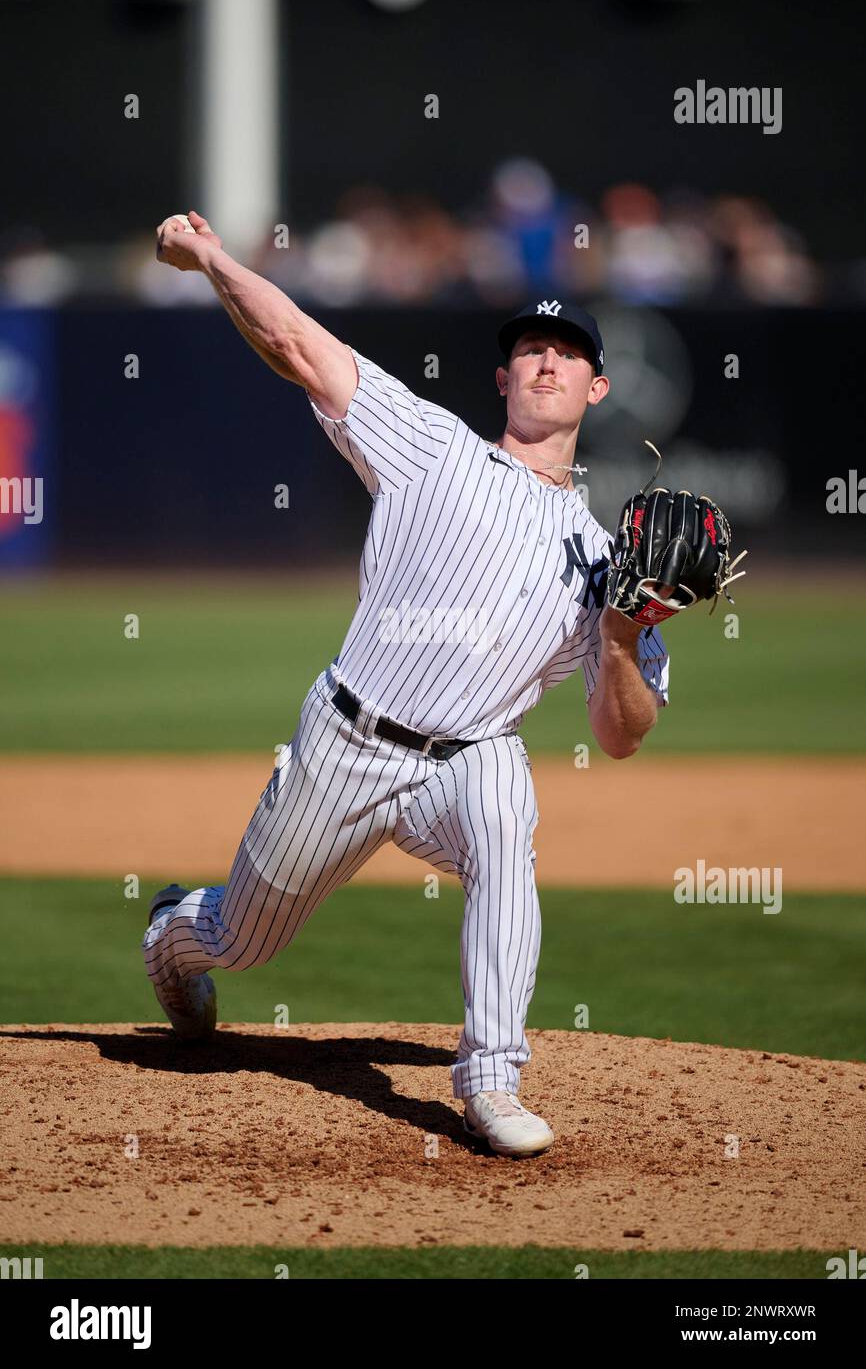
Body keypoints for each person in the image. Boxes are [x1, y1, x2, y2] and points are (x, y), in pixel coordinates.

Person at [143, 212, 669, 1158]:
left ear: (597, 385)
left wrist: (625, 637)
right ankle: (171, 934)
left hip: (463, 764)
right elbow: (298, 344)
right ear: (503, 379)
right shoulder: (432, 448)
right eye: (530, 350)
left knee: (508, 814)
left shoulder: (607, 564)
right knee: (242, 938)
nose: (546, 363)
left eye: (567, 353)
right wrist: (214, 260)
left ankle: (492, 1080)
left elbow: (623, 733)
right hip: (345, 743)